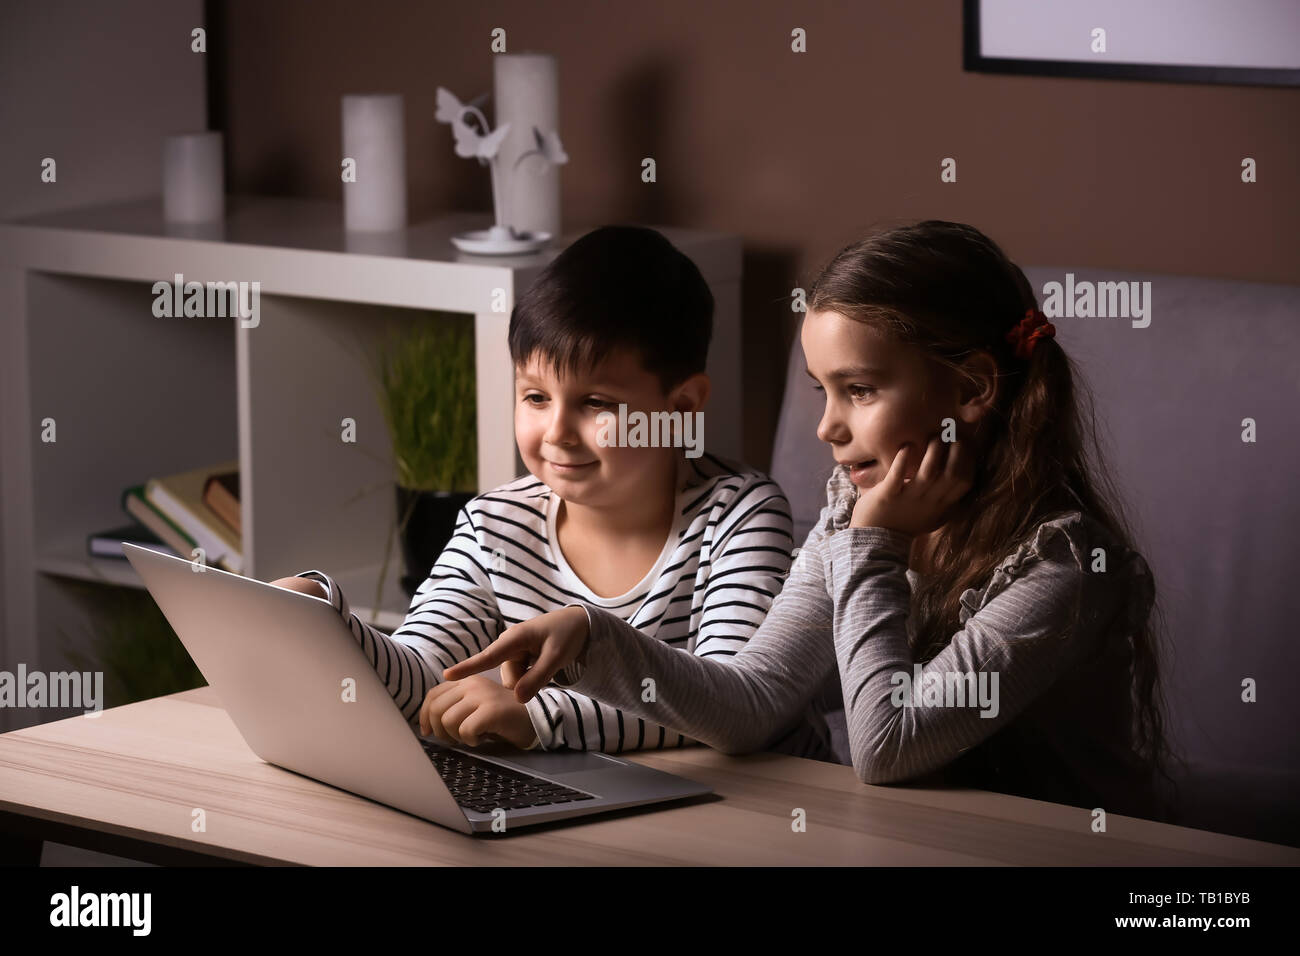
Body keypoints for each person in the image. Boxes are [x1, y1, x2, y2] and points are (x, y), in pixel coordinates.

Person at [444, 220, 1181, 822]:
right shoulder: (853, 516)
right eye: (822, 391)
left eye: (858, 389)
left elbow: (886, 749)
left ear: (973, 387)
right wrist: (592, 635)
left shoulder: (1061, 566)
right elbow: (749, 704)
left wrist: (874, 544)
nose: (826, 428)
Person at [272, 225, 839, 759]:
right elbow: (427, 677)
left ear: (683, 407)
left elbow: (719, 704)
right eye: (536, 397)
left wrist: (541, 718)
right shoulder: (494, 525)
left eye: (595, 404)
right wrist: (329, 622)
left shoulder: (738, 513)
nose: (557, 433)